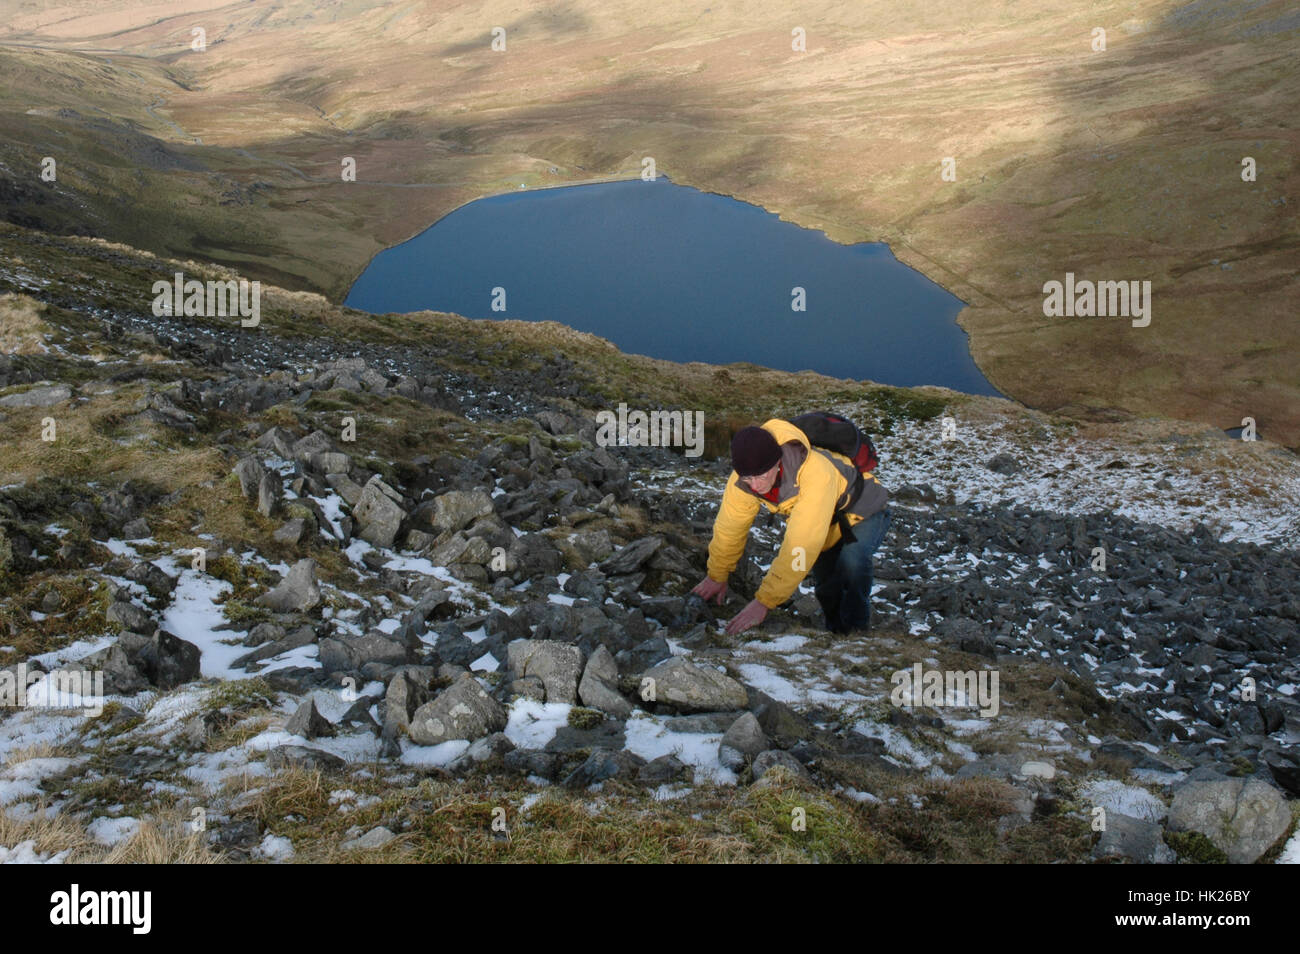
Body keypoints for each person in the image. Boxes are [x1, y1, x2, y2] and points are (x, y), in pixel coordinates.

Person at [691, 419, 890, 636]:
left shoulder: (816, 473)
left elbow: (801, 545)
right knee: (826, 586)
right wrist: (717, 575)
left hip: (865, 510)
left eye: (762, 475)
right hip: (828, 523)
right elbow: (730, 527)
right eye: (748, 478)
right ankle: (836, 634)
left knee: (853, 563)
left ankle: (857, 633)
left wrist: (764, 602)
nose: (756, 486)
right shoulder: (743, 480)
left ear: (778, 462)